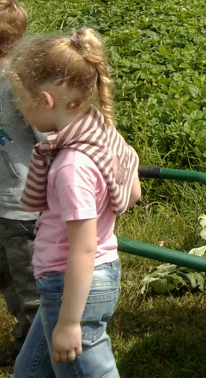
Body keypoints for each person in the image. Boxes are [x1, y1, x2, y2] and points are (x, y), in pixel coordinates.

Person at [6, 27, 141, 378]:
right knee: (29, 372)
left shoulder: (71, 166)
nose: (22, 110)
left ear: (47, 101)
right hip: (83, 279)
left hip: (72, 286)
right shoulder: (100, 133)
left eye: (23, 102)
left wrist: (68, 323)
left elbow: (82, 249)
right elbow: (134, 192)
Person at [0, 0, 40, 367]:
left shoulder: (18, 82)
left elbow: (50, 137)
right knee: (8, 278)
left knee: (29, 283)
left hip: (21, 202)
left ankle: (32, 350)